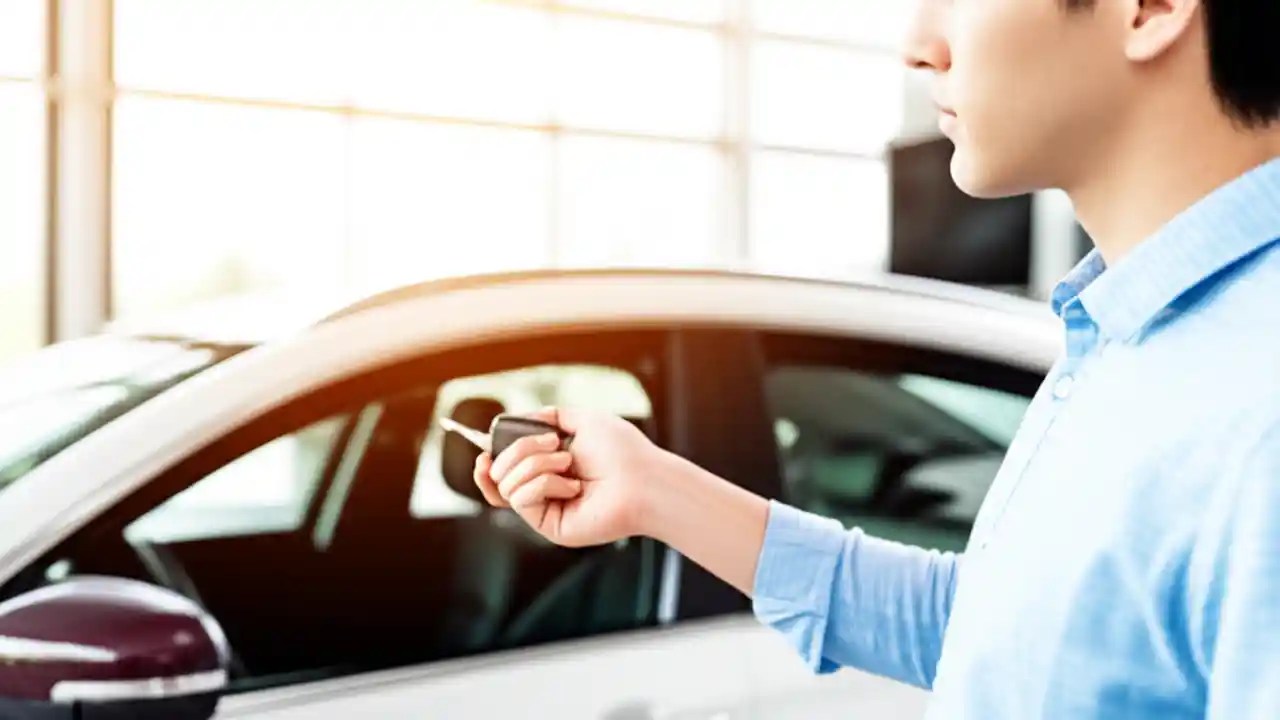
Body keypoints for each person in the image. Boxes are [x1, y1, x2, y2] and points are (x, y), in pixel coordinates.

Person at [474, 0, 1280, 716]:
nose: (919, 43)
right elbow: (997, 639)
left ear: (1151, 7)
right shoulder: (1123, 331)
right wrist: (654, 492)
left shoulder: (1257, 412)